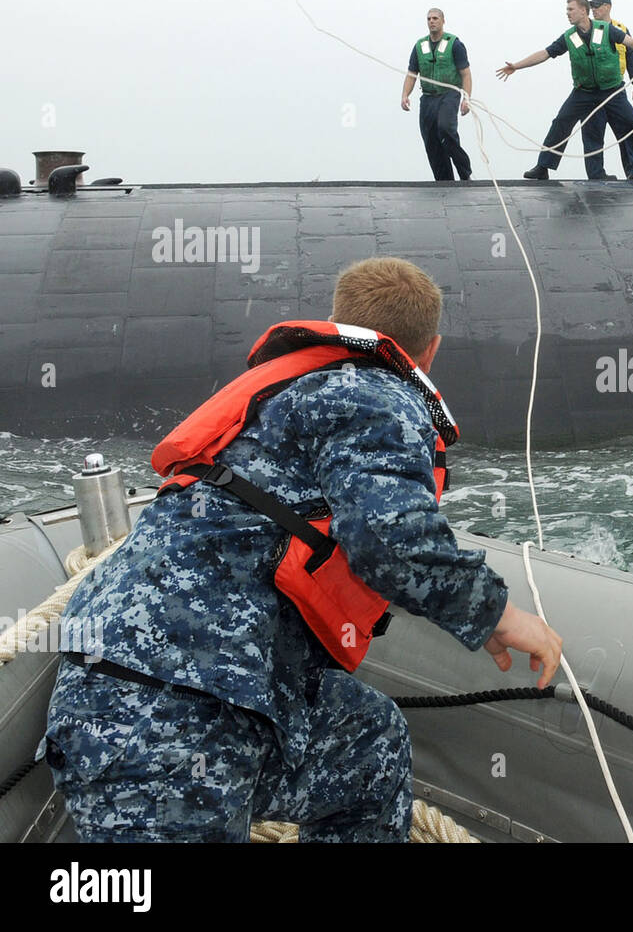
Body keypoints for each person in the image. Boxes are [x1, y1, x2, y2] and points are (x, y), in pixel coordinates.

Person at [38, 257, 563, 842]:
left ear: (337, 322)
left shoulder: (292, 388)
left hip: (231, 691)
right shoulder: (376, 395)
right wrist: (499, 616)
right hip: (160, 709)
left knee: (370, 741)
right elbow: (391, 537)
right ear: (430, 350)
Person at [497, 0, 633, 181]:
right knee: (561, 122)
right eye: (567, 10)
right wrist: (516, 66)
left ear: (583, 11)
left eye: (571, 9)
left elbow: (632, 44)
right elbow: (545, 54)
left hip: (612, 91)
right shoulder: (569, 37)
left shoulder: (606, 30)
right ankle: (543, 166)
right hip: (584, 92)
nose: (567, 13)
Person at [401, 8, 473, 181]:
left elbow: (466, 74)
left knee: (445, 129)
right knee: (431, 140)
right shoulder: (419, 46)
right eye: (429, 19)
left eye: (435, 18)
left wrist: (466, 98)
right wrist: (405, 95)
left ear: (442, 21)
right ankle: (444, 180)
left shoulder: (454, 44)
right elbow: (411, 74)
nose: (431, 21)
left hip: (449, 94)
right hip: (428, 97)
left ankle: (465, 172)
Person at [587, 0, 633, 179]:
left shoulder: (621, 28)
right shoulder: (589, 29)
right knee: (595, 131)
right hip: (595, 89)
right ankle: (597, 173)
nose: (593, 10)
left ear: (608, 7)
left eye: (596, 6)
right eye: (591, 7)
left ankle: (631, 170)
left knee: (626, 130)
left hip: (617, 88)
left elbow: (631, 56)